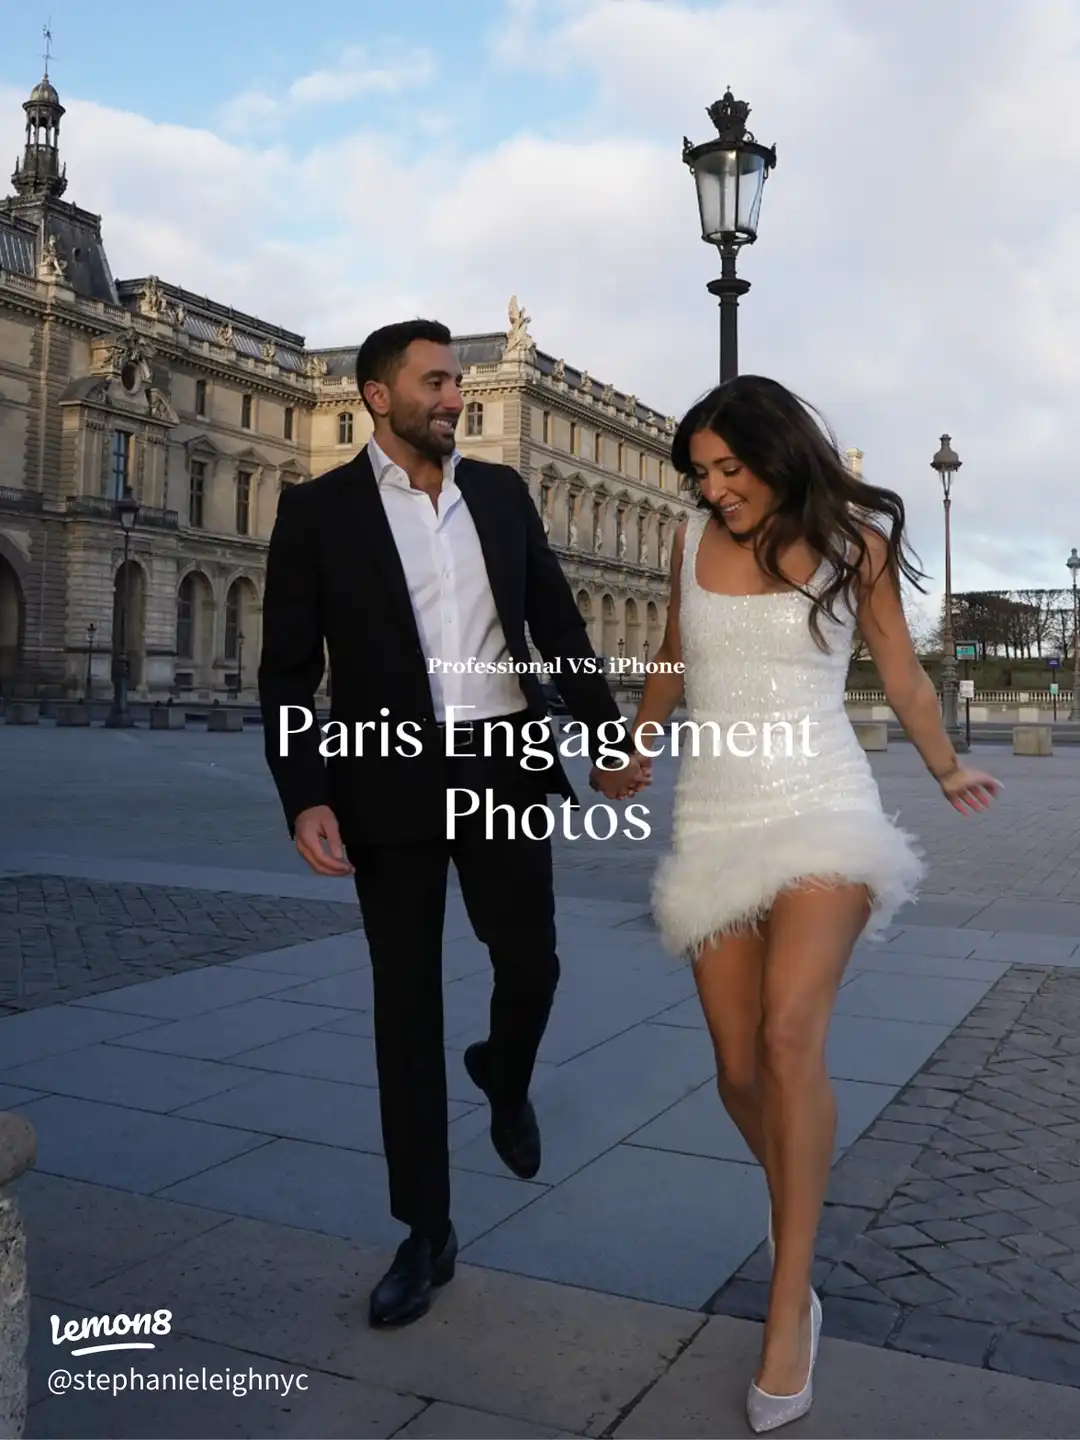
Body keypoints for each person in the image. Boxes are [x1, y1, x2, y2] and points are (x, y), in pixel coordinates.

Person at [257, 318, 646, 1330]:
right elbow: (290, 670)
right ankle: (424, 1231)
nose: (453, 397)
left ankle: (503, 1074)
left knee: (534, 966)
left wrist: (605, 736)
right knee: (406, 1005)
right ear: (376, 397)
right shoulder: (319, 512)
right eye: (434, 383)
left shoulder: (502, 494)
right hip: (384, 780)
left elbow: (555, 623)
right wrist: (305, 793)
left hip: (505, 762)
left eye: (458, 383)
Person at [628, 375, 999, 1433]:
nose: (715, 488)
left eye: (729, 468)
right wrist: (637, 740)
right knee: (737, 1069)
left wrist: (943, 769)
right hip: (717, 814)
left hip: (824, 803)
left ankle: (789, 1306)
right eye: (701, 473)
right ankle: (802, 1209)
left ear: (776, 452)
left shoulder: (857, 544)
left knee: (791, 1036)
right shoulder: (689, 539)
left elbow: (903, 672)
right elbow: (671, 653)